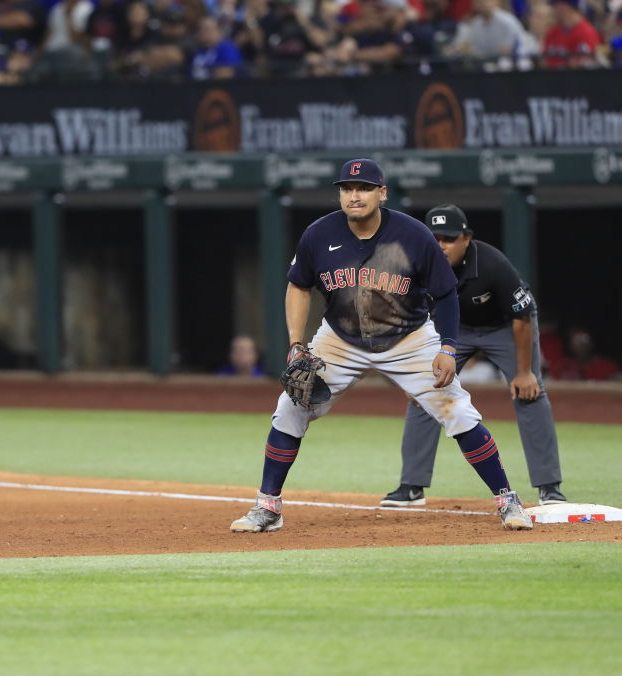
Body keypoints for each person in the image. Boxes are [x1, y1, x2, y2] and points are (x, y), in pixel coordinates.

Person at [230, 159, 532, 534]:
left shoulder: (414, 236)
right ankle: (268, 506)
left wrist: (449, 348)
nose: (354, 196)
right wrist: (295, 343)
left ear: (381, 193)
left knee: (458, 412)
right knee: (290, 409)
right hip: (340, 339)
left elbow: (445, 294)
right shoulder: (318, 234)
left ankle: (506, 499)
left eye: (363, 188)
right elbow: (298, 286)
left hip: (409, 338)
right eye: (346, 188)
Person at [380, 204, 566, 509]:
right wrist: (410, 374)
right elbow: (408, 320)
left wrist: (524, 371)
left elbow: (522, 316)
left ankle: (550, 488)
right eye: (434, 237)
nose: (440, 245)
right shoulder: (414, 267)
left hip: (505, 326)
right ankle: (411, 486)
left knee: (529, 392)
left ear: (467, 238)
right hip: (454, 330)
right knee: (425, 392)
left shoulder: (492, 263)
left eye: (449, 238)